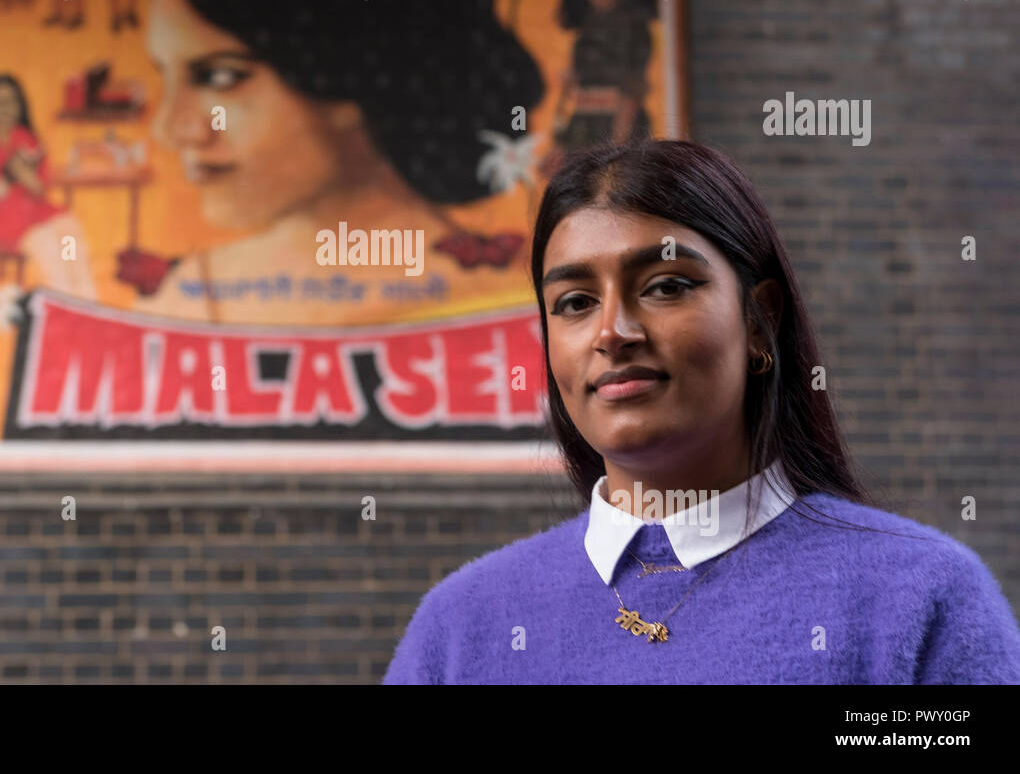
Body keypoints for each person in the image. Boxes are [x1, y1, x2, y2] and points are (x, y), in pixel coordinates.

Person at [383, 140, 1020, 683]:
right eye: (575, 302)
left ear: (760, 321)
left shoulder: (917, 600)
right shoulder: (461, 632)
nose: (614, 331)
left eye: (665, 286)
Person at [135, 0, 546, 326]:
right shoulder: (187, 301)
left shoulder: (519, 302)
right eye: (166, 76)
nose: (170, 129)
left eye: (220, 76)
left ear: (349, 75)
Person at [0, 74, 97, 300]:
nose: (5, 109)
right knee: (48, 244)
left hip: (36, 212)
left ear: (20, 105)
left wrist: (26, 176)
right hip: (3, 220)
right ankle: (65, 301)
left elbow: (41, 188)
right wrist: (1, 186)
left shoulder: (25, 138)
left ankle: (85, 296)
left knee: (70, 233)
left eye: (11, 102)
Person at [547, 0, 657, 171]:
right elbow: (574, 98)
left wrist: (617, 148)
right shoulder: (587, 25)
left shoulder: (633, 27)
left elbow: (632, 90)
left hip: (619, 127)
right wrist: (559, 144)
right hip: (583, 127)